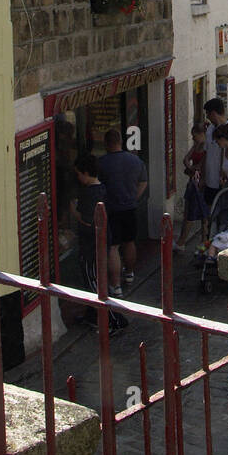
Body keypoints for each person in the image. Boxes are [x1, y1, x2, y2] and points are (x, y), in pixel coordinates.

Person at [65, 154, 127, 332]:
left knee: (95, 287)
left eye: (78, 174)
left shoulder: (89, 194)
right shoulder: (102, 189)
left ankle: (115, 320)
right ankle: (92, 316)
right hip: (99, 245)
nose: (78, 178)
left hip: (91, 248)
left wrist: (73, 211)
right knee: (94, 283)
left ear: (85, 173)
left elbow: (87, 221)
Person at [96, 127, 148, 294]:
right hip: (129, 207)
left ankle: (116, 285)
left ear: (106, 144)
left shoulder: (101, 163)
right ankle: (130, 273)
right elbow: (143, 182)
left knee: (113, 247)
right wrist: (135, 197)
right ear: (120, 141)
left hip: (111, 209)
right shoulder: (135, 161)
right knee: (129, 241)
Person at [202, 98, 228, 210]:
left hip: (226, 181)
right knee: (210, 209)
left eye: (208, 114)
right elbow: (206, 152)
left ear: (213, 113)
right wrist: (203, 176)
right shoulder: (210, 129)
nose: (207, 117)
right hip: (210, 180)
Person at [178, 122, 209, 249]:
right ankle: (184, 241)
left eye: (194, 135)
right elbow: (186, 159)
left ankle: (201, 241)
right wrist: (190, 167)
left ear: (202, 134)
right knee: (190, 210)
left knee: (202, 213)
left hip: (201, 183)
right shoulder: (196, 145)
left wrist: (193, 168)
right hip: (193, 181)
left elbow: (202, 164)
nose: (193, 138)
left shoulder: (207, 147)